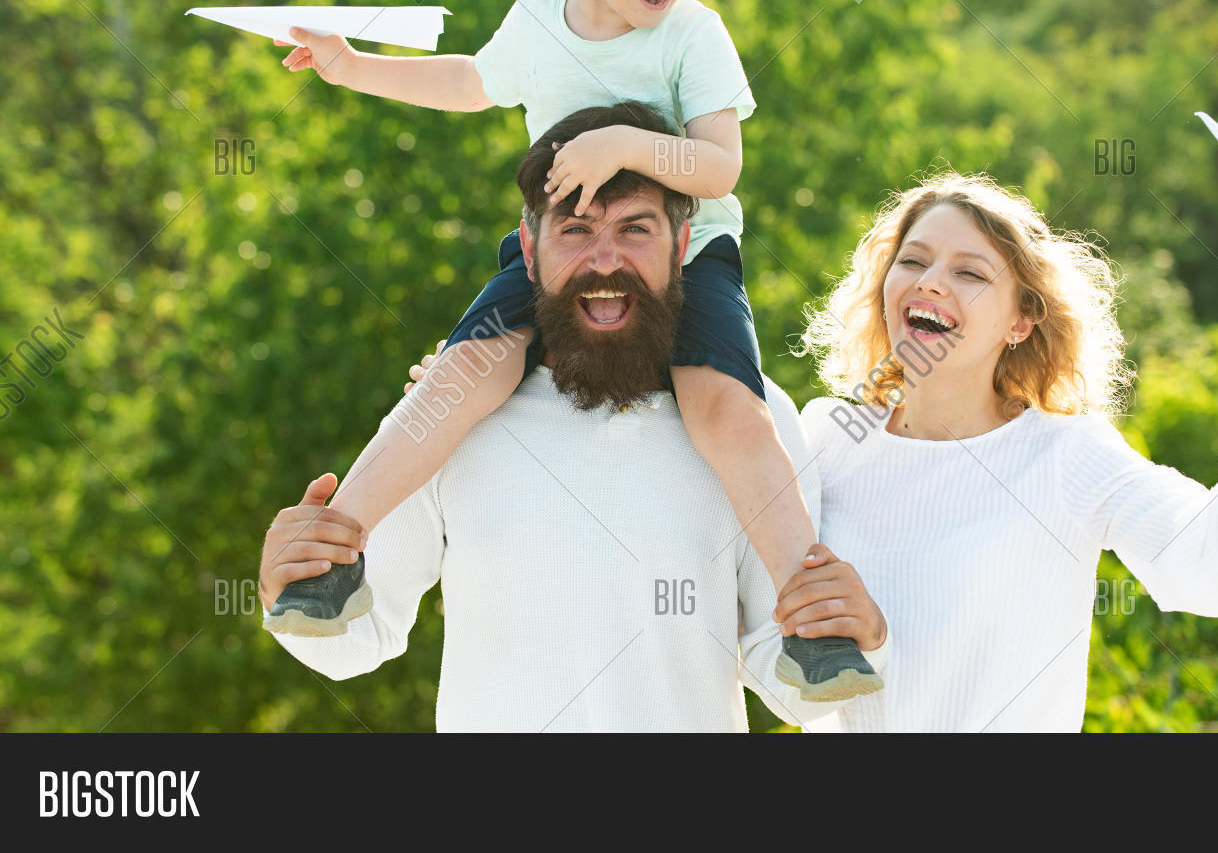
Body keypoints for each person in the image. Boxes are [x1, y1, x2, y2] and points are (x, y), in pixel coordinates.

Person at [266, 0, 880, 697]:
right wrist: (354, 69)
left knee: (724, 406)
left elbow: (718, 170)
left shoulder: (694, 36)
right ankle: (334, 546)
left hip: (695, 252)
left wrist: (630, 147)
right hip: (548, 255)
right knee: (459, 373)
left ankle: (812, 613)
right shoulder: (535, 21)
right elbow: (473, 83)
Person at [258, 105, 889, 730]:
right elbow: (353, 641)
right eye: (577, 230)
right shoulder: (450, 416)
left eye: (636, 230)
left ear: (683, 249)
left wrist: (856, 632)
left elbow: (790, 687)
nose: (606, 260)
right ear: (529, 250)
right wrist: (291, 575)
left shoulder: (754, 423)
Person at [775, 172, 1218, 731]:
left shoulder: (1064, 456)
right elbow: (771, 663)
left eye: (971, 273)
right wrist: (868, 647)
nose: (930, 281)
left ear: (1021, 322)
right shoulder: (831, 439)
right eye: (913, 260)